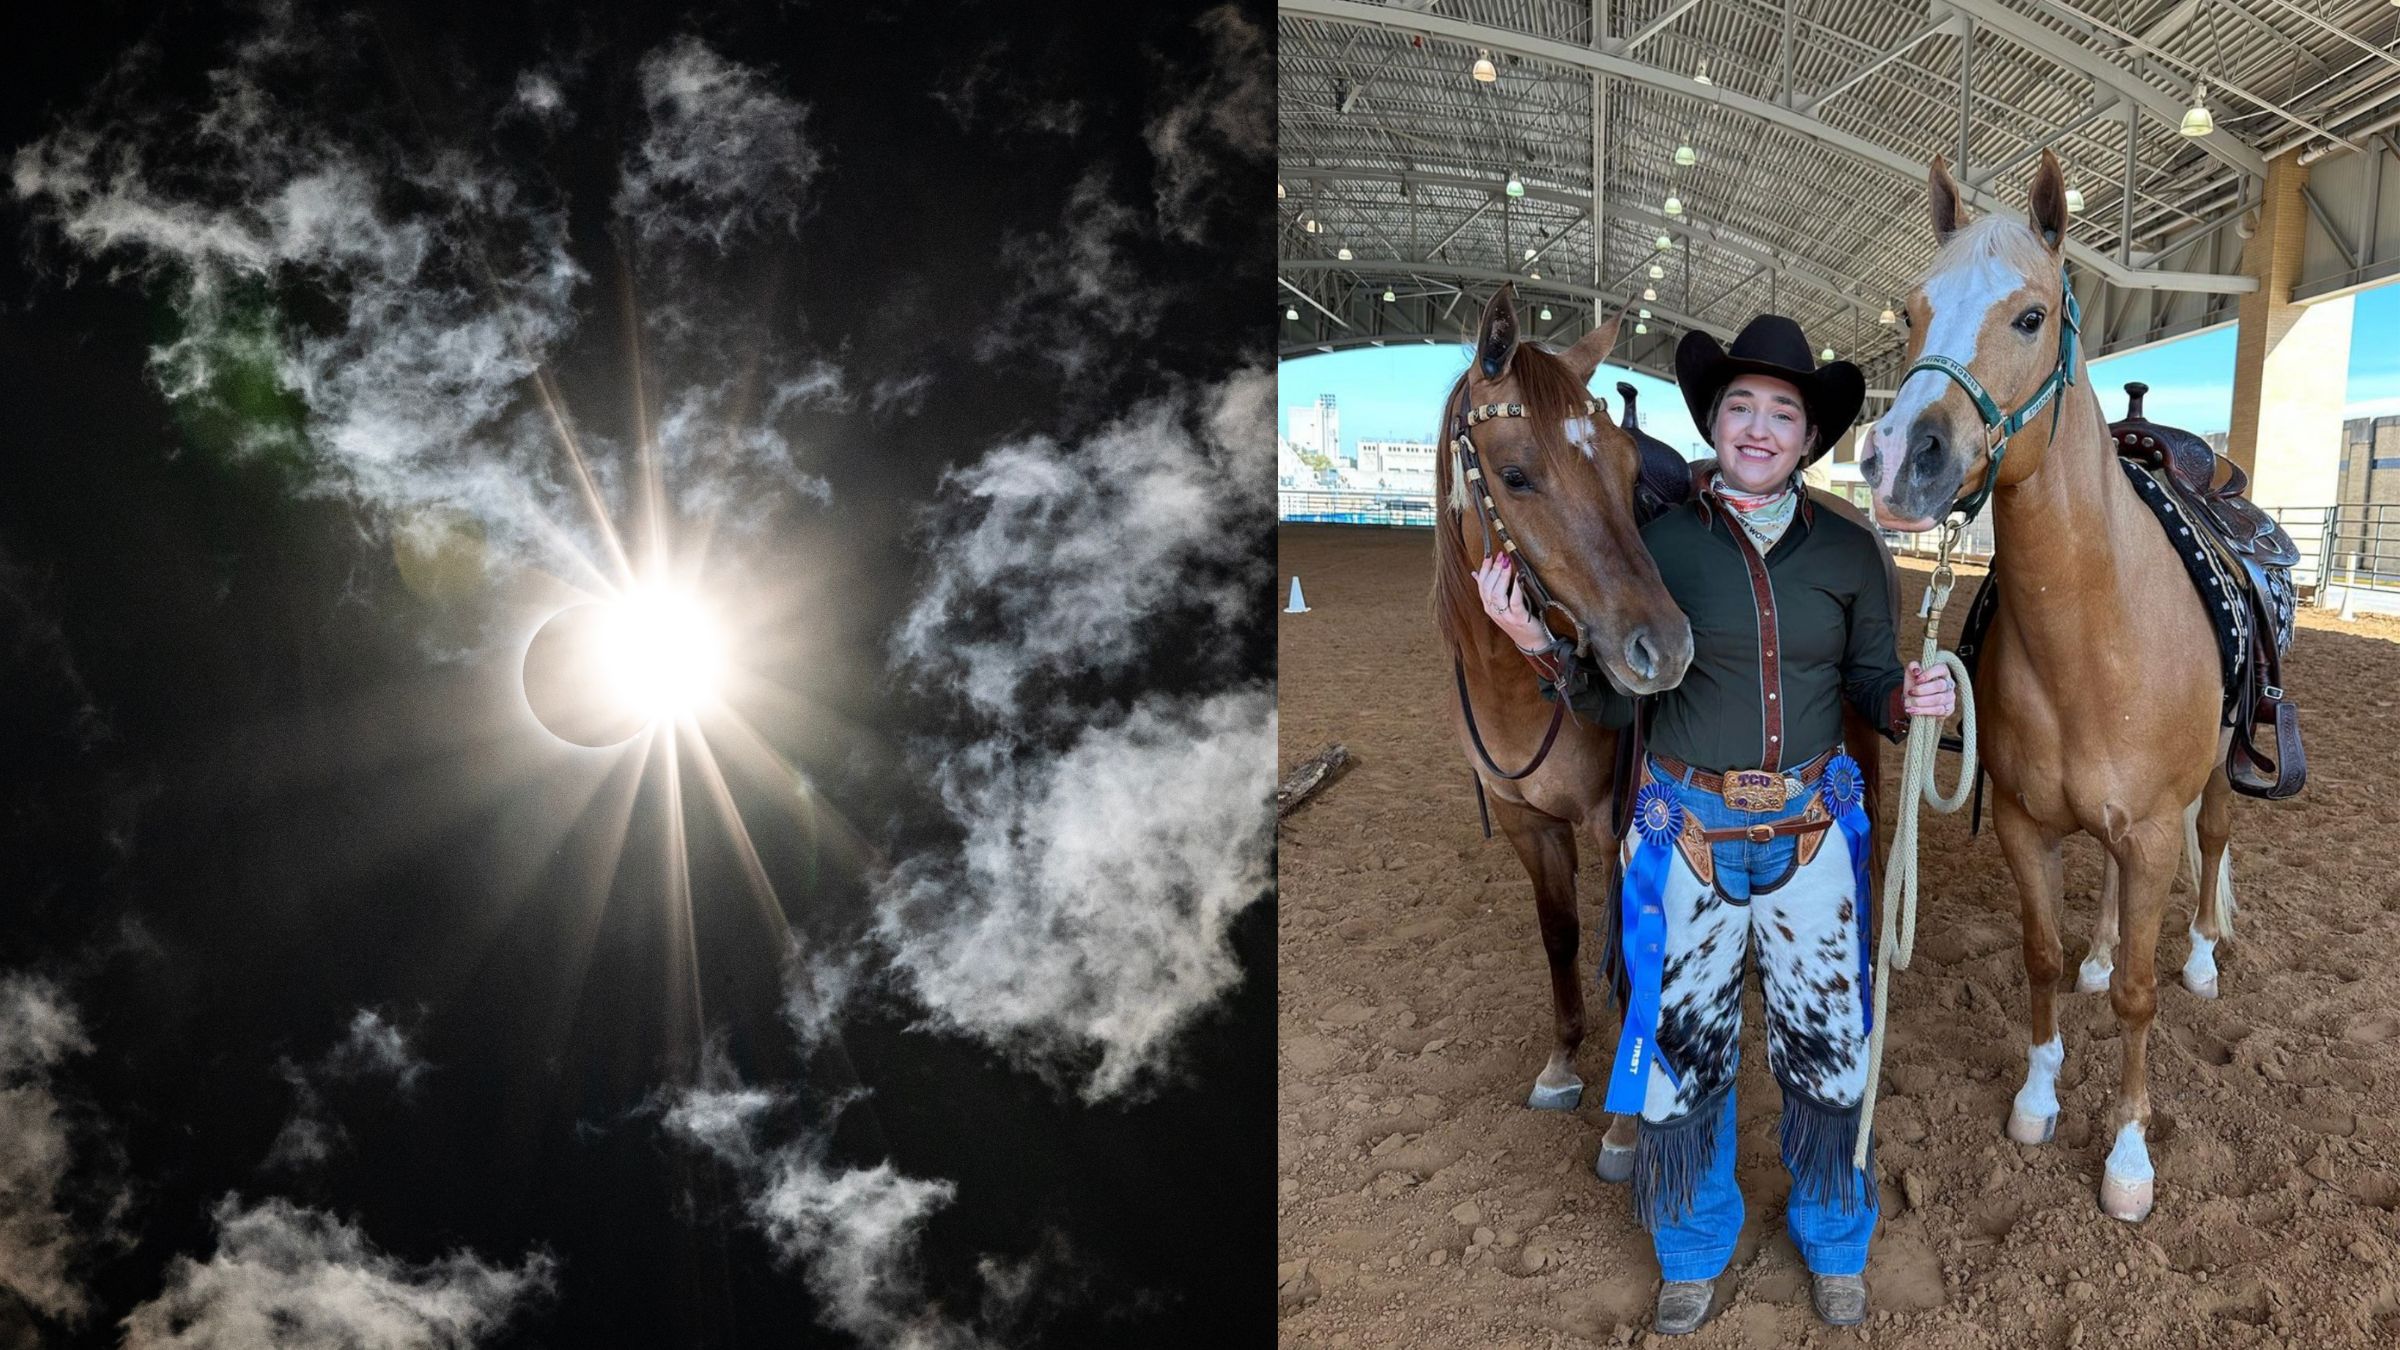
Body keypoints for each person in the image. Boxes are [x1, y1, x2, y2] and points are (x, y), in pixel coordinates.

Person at [1476, 315, 1955, 1335]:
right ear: (1715, 422)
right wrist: (1534, 643)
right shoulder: (1658, 545)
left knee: (1829, 1052)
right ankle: (1691, 1249)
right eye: (1741, 406)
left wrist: (1909, 697)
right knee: (1682, 1056)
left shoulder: (1851, 552)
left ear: (1808, 437)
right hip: (1683, 835)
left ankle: (1835, 1239)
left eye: (1782, 412)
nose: (1759, 427)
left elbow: (1870, 679)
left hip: (1813, 833)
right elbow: (1614, 707)